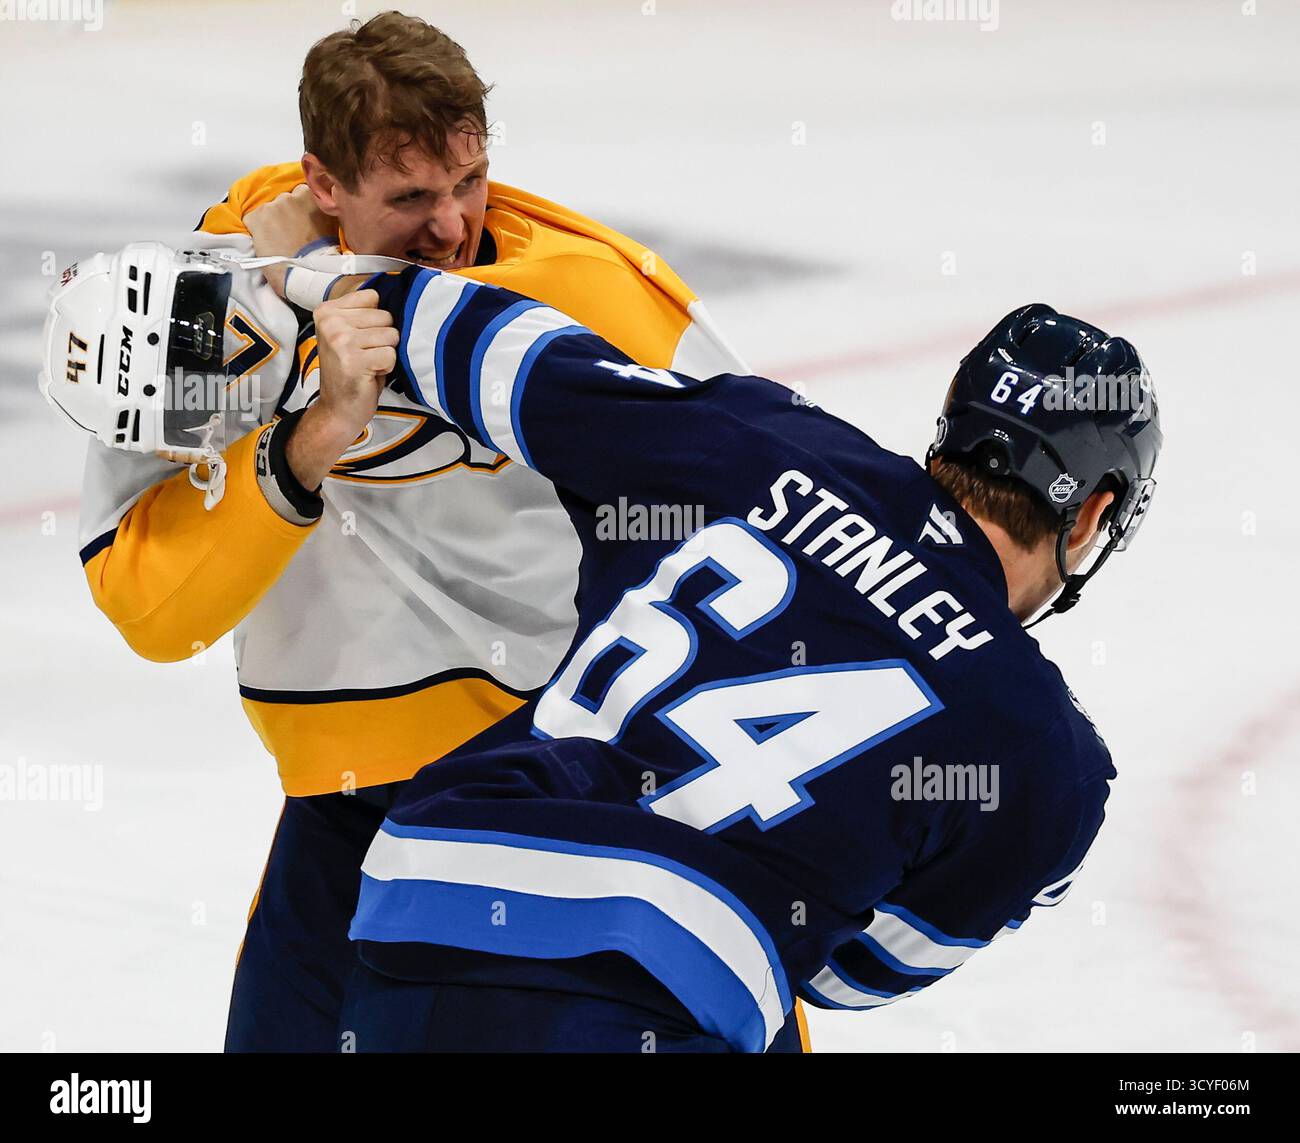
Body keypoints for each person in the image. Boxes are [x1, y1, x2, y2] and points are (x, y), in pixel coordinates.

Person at [59, 10, 817, 1052]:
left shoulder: (592, 291)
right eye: (410, 197)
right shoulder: (204, 320)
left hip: (579, 784)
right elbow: (149, 609)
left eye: (470, 182)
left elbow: (780, 500)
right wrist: (304, 446)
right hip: (356, 804)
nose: (455, 224)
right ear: (324, 186)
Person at [279, 267, 1160, 1052]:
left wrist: (314, 286)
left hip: (424, 905)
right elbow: (852, 974)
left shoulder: (764, 435)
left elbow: (496, 344)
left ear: (950, 437)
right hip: (642, 996)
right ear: (1092, 514)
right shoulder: (1049, 760)